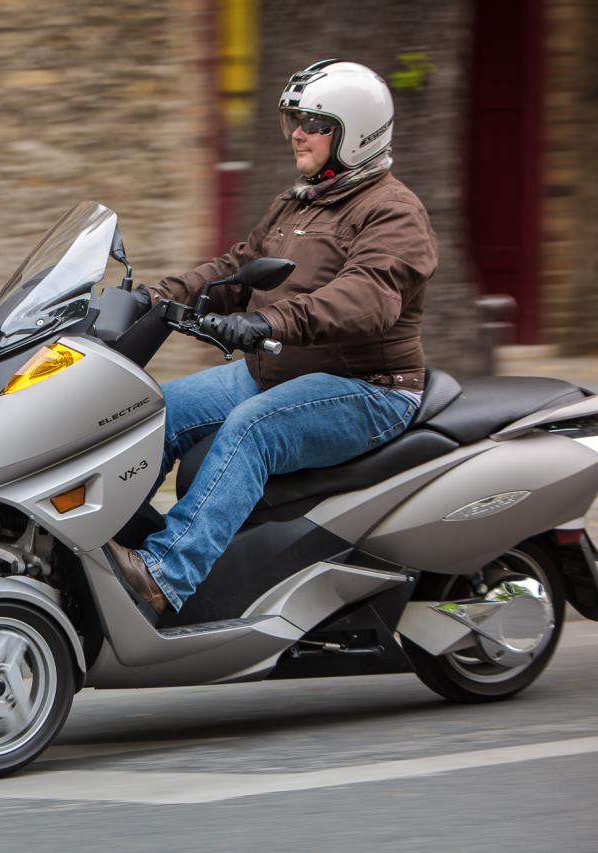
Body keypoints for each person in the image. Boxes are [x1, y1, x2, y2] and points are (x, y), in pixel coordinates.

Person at [106, 59, 438, 618]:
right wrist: (158, 298)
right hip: (276, 371)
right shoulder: (298, 202)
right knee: (148, 413)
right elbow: (238, 267)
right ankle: (92, 544)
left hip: (366, 387)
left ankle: (165, 575)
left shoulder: (394, 212)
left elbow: (368, 297)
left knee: (251, 430)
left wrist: (268, 322)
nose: (298, 134)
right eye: (295, 121)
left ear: (353, 133)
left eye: (314, 122)